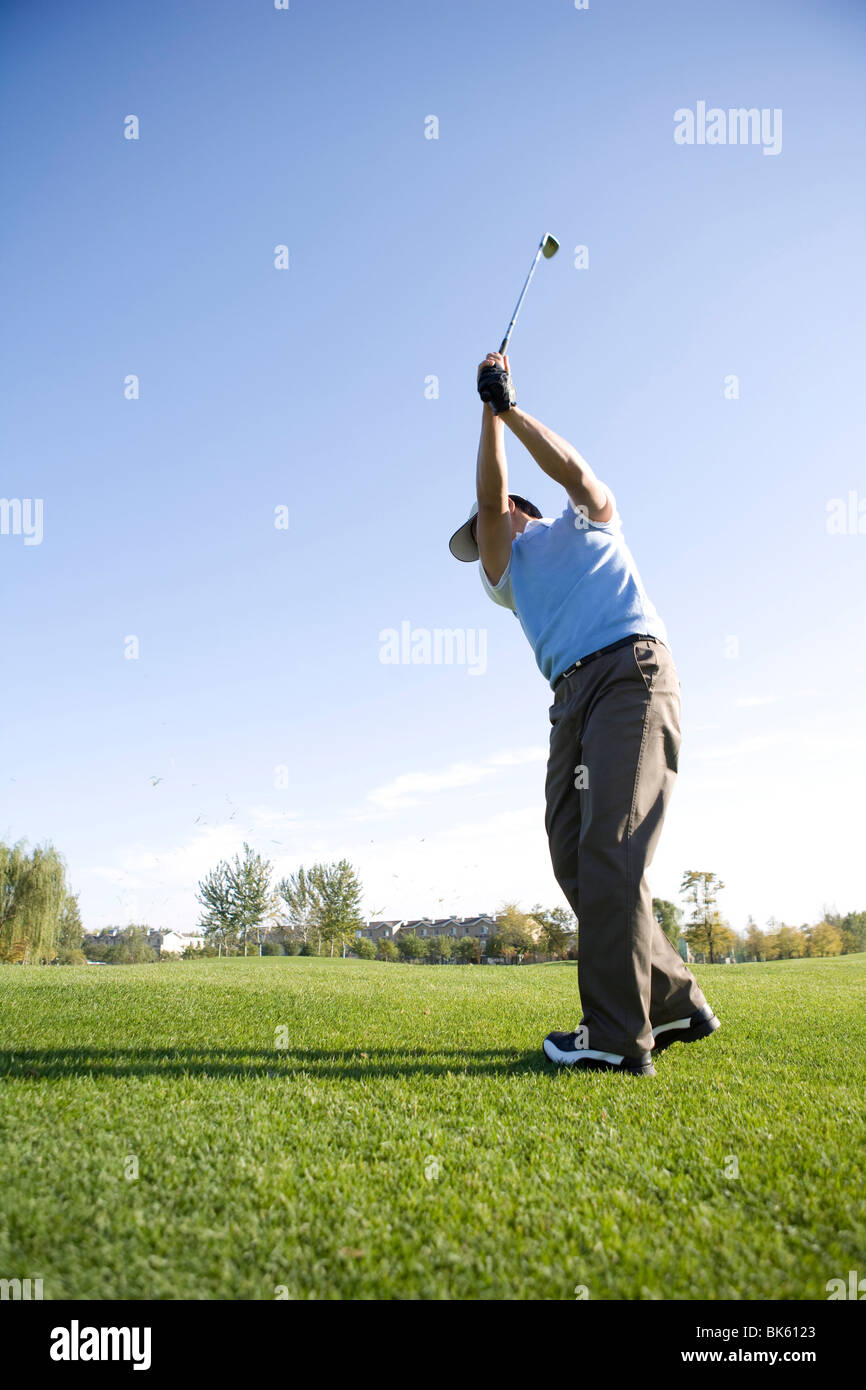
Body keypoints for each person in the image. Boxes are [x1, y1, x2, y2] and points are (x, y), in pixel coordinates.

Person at [448, 351, 720, 1076]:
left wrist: (505, 408)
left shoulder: (587, 523)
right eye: (479, 535)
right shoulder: (505, 579)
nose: (483, 542)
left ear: (522, 509)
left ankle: (613, 1033)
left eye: (488, 523)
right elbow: (491, 491)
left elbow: (576, 473)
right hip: (571, 702)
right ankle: (667, 996)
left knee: (613, 843)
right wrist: (487, 416)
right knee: (575, 849)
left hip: (632, 674)